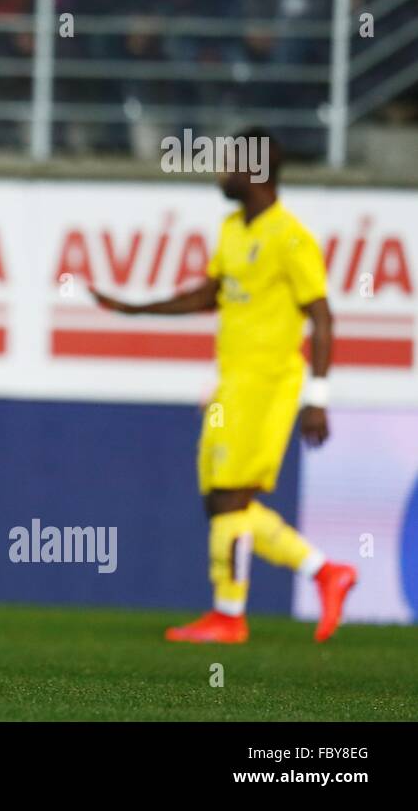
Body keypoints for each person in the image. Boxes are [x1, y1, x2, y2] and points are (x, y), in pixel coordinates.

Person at [90, 130, 357, 644]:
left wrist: (317, 400)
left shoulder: (291, 238)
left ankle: (229, 617)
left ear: (256, 171)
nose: (221, 172)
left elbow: (322, 318)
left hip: (270, 384)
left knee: (233, 499)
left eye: (231, 163)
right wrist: (135, 308)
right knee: (220, 503)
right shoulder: (233, 229)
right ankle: (326, 572)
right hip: (231, 385)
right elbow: (207, 296)